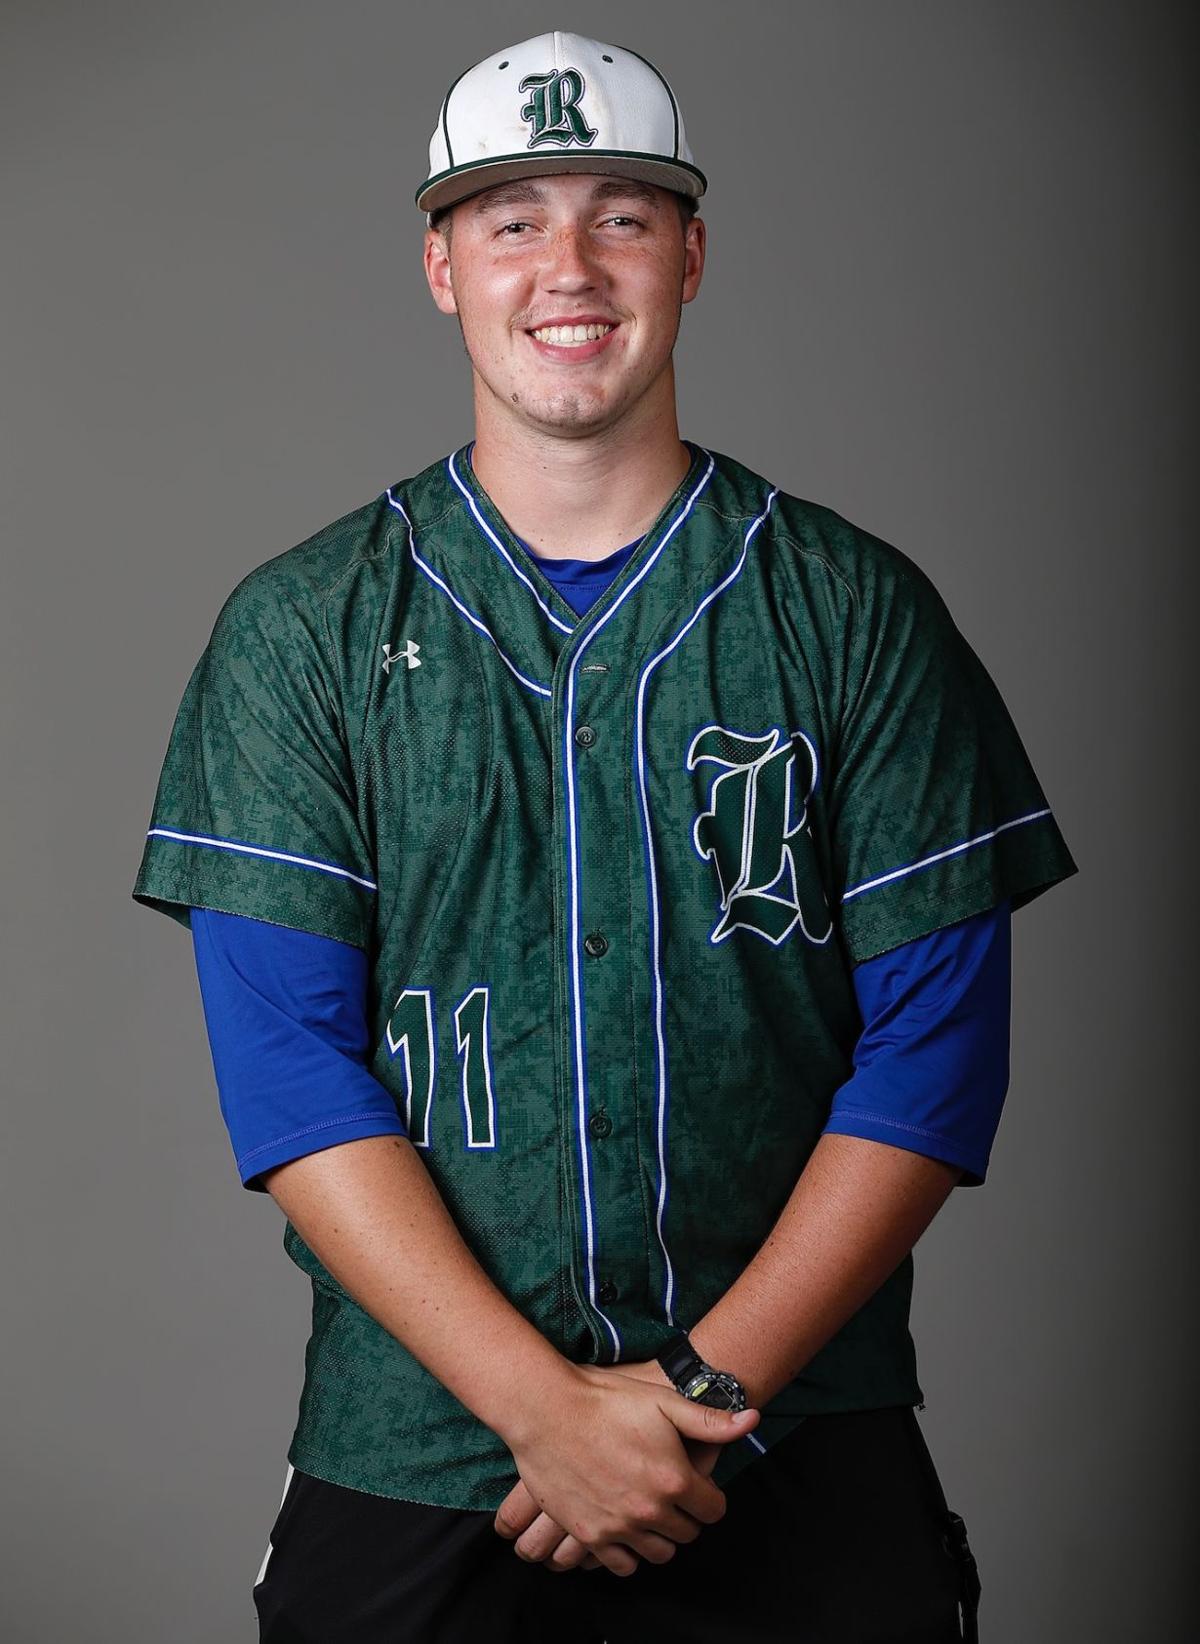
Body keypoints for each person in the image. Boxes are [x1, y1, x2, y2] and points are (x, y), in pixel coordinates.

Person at [132, 29, 1077, 1643]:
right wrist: (544, 1411)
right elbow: (289, 1070)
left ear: (693, 255)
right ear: (442, 265)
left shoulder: (854, 611)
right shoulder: (300, 630)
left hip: (794, 1439)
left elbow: (936, 1054)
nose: (567, 264)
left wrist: (700, 1389)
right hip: (423, 1454)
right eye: (510, 217)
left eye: (622, 215)